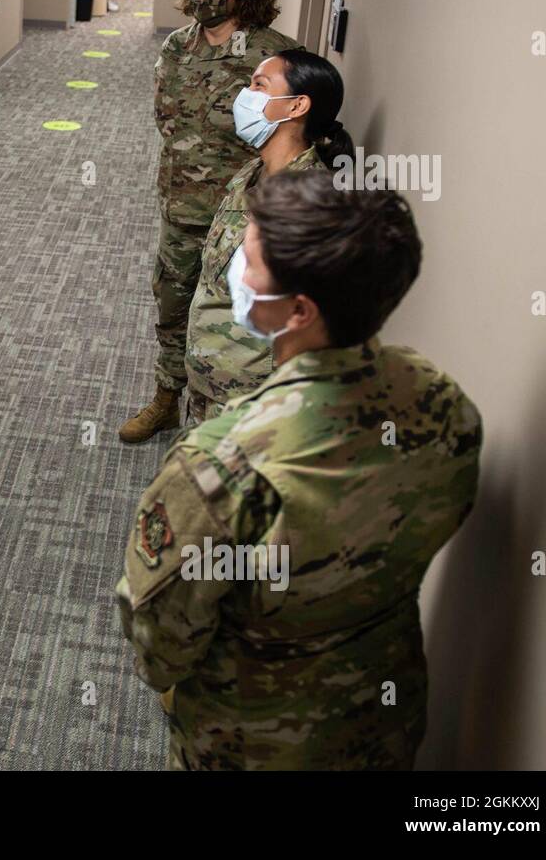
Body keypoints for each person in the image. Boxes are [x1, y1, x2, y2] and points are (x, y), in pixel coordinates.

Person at [115, 168, 483, 770]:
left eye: (250, 259)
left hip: (252, 743)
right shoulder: (440, 400)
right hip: (384, 720)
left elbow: (161, 647)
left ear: (299, 310)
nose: (235, 267)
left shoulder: (219, 467)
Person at [120, 0, 298, 443]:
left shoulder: (275, 57)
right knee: (173, 306)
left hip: (243, 215)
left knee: (233, 321)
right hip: (180, 204)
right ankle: (166, 399)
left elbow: (289, 137)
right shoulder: (178, 46)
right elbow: (166, 120)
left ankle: (227, 423)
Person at [184, 49, 354, 424]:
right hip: (212, 373)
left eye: (259, 86)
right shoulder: (253, 171)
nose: (246, 96)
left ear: (296, 106)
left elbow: (306, 319)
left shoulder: (311, 202)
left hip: (250, 396)